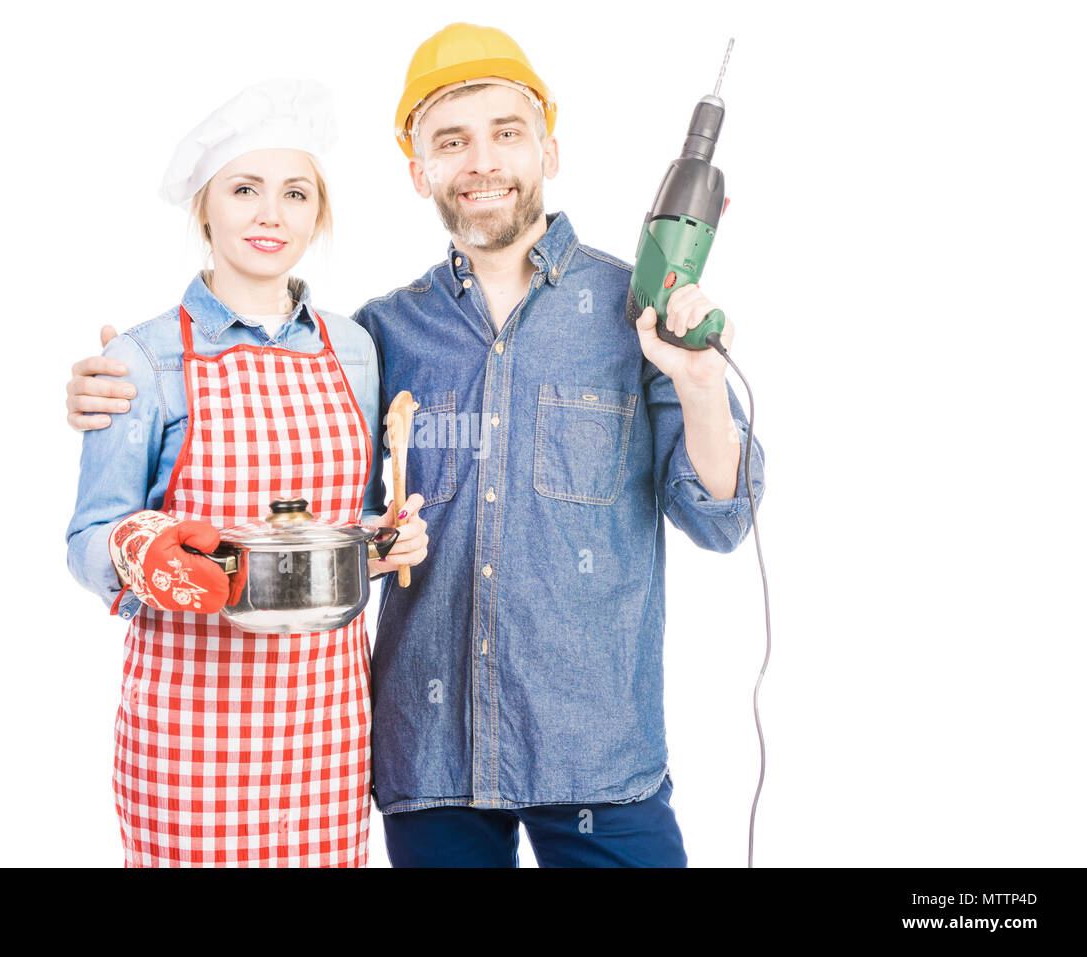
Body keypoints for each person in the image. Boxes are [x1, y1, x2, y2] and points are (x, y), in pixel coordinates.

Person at [67, 24, 764, 867]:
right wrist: (121, 391)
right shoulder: (380, 334)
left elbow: (722, 520)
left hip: (598, 755)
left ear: (549, 149)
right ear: (419, 170)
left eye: (506, 133)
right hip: (426, 756)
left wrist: (694, 379)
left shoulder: (637, 310)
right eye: (451, 141)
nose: (482, 161)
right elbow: (339, 505)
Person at [64, 78, 428, 868]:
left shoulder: (354, 349)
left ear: (317, 214)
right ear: (205, 207)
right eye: (245, 189)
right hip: (190, 723)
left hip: (327, 721)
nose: (271, 214)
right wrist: (143, 554)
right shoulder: (142, 358)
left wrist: (386, 540)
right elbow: (88, 535)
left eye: (295, 193)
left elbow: (354, 520)